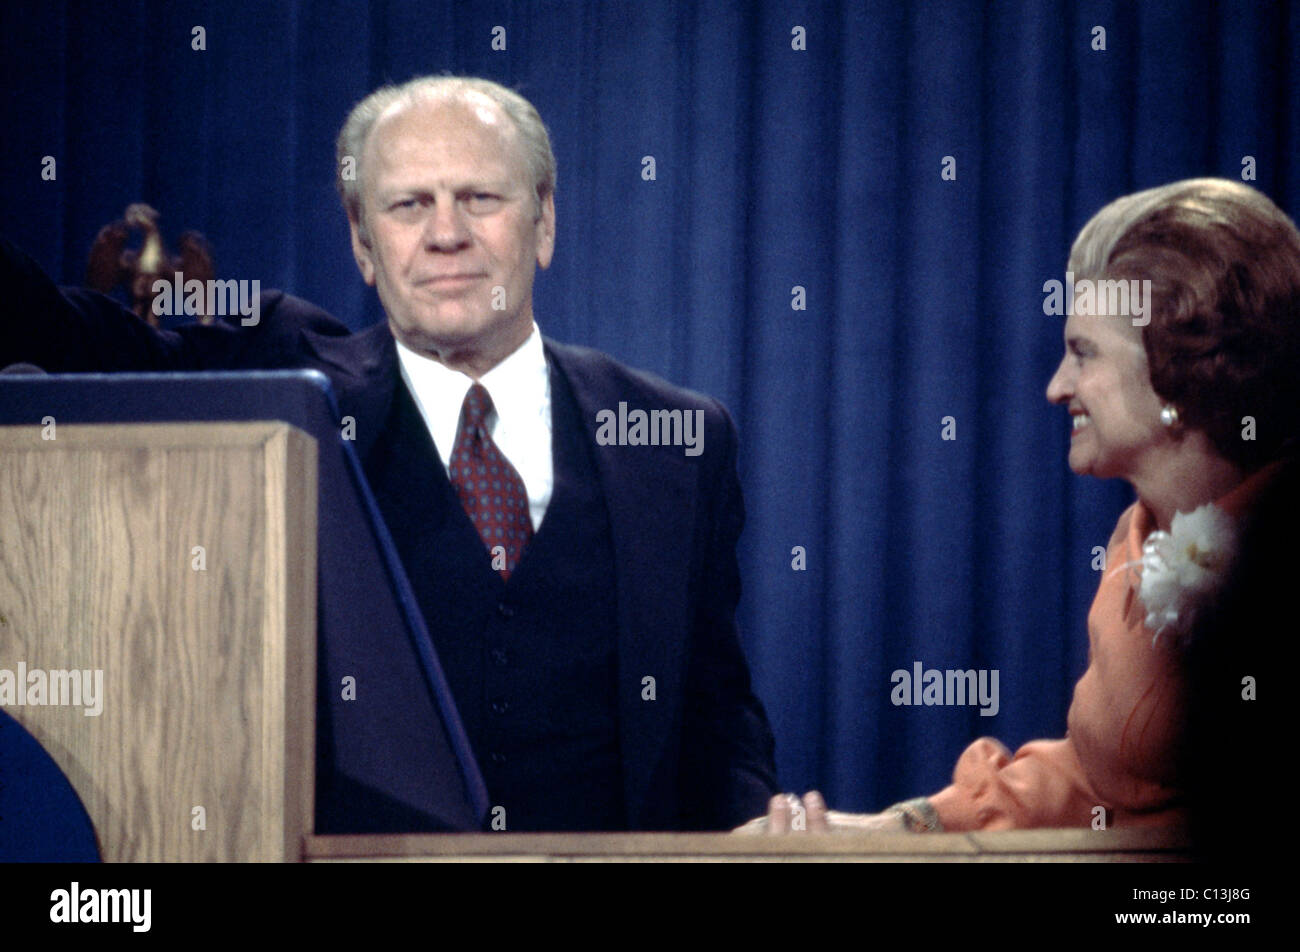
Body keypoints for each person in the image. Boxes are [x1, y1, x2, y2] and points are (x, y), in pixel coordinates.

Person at [0, 75, 778, 832]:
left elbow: (714, 717)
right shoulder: (286, 388)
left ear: (544, 221)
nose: (446, 234)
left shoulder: (675, 441)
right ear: (363, 244)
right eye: (409, 205)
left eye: (480, 197)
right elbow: (70, 337)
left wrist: (756, 825)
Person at [741, 178, 1300, 838]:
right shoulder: (1139, 537)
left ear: (1180, 365)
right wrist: (892, 829)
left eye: (1082, 353)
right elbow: (1097, 778)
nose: (1056, 387)